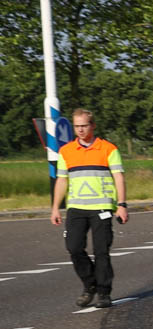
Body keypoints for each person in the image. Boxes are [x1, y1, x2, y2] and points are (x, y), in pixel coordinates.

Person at [50, 108, 128, 308]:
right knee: (74, 248)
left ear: (92, 125)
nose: (81, 130)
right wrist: (56, 207)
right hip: (76, 208)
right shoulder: (66, 151)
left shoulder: (108, 149)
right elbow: (62, 180)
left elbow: (118, 177)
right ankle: (90, 284)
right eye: (77, 126)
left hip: (102, 207)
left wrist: (121, 204)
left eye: (84, 125)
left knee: (101, 251)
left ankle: (103, 292)